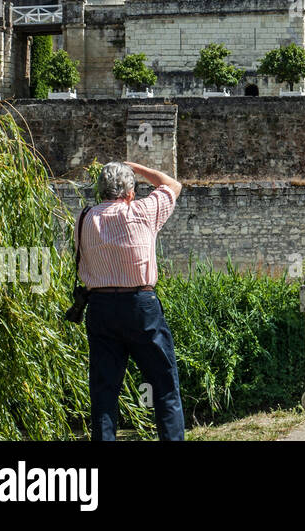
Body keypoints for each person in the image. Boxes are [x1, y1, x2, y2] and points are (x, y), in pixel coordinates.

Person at [77, 160, 185, 440]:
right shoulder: (143, 211)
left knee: (104, 393)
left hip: (100, 308)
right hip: (140, 307)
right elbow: (172, 185)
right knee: (164, 387)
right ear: (129, 191)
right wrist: (137, 167)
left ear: (101, 190)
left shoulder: (85, 218)